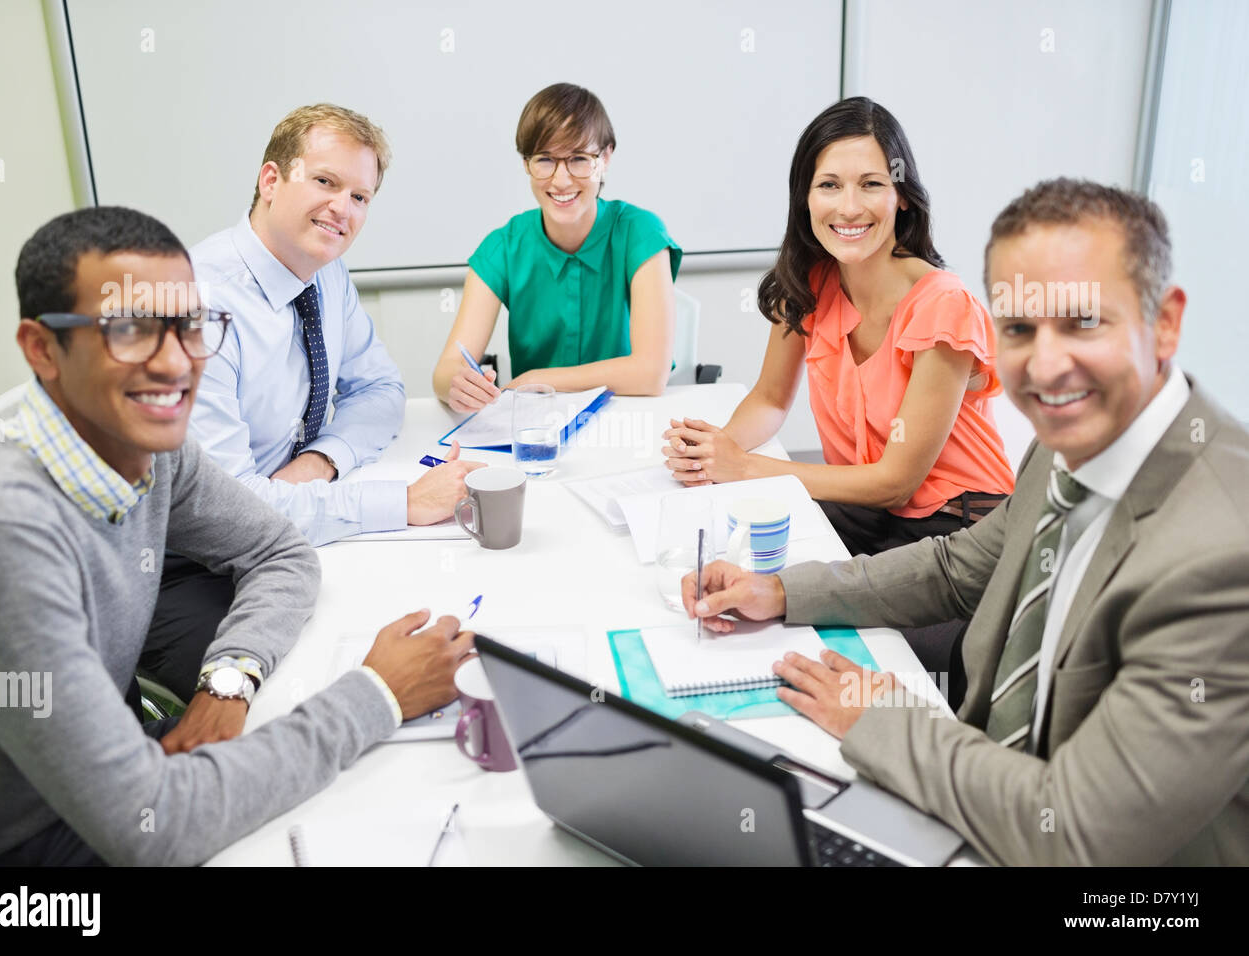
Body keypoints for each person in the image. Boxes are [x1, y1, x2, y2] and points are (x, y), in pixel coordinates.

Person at [682, 179, 1249, 865]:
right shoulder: (1072, 442)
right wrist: (781, 592)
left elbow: (1074, 831)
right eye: (1018, 327)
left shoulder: (1225, 553)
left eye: (1082, 322)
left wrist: (888, 723)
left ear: (1165, 321)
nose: (1045, 366)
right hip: (979, 810)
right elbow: (956, 568)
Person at [0, 207, 474, 866]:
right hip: (25, 850)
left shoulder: (149, 442)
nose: (176, 365)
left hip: (121, 769)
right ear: (41, 349)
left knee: (393, 801)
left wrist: (227, 680)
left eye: (190, 327)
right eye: (132, 330)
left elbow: (279, 550)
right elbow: (154, 827)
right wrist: (378, 695)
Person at [142, 103, 483, 702]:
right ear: (271, 181)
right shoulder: (193, 307)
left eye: (361, 196)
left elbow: (380, 390)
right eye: (326, 182)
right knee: (308, 692)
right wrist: (405, 502)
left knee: (404, 627)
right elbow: (232, 512)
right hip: (175, 566)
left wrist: (318, 464)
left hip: (273, 534)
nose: (343, 210)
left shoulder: (324, 274)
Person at [662, 97, 1014, 558]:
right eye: (829, 185)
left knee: (804, 600)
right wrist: (716, 451)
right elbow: (770, 399)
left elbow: (895, 482)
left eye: (871, 184)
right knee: (723, 555)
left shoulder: (945, 306)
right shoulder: (806, 285)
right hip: (868, 513)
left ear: (902, 196)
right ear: (805, 198)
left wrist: (743, 466)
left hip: (960, 525)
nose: (849, 208)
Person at [432, 82, 680, 413]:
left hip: (626, 417)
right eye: (545, 160)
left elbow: (650, 374)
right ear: (525, 162)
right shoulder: (503, 247)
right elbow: (446, 370)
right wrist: (457, 385)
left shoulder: (640, 231)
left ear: (605, 158)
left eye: (579, 158)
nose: (561, 181)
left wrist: (537, 378)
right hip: (538, 428)